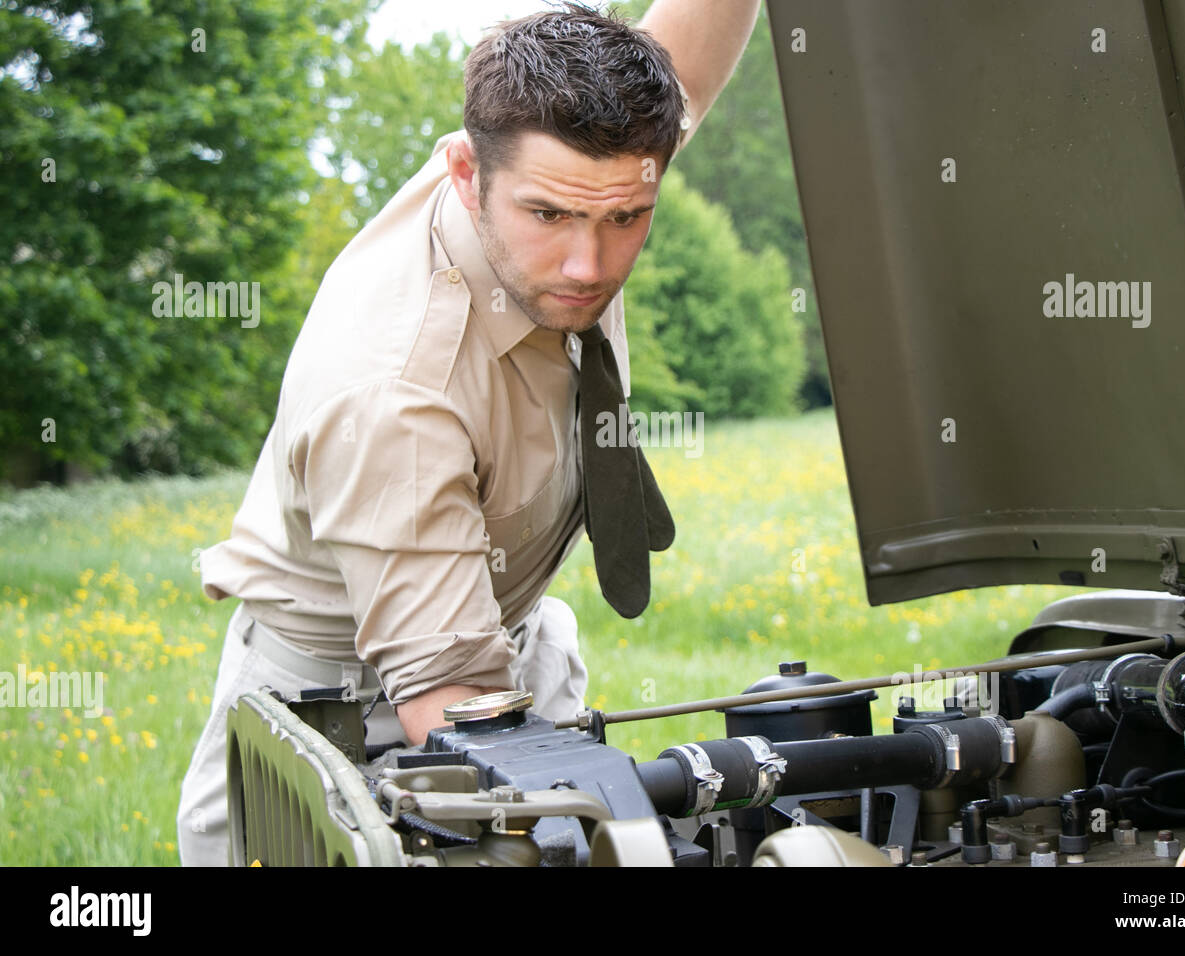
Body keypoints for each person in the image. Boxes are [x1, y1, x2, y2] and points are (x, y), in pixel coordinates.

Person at [176, 0, 760, 865]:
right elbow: (457, 715)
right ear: (463, 172)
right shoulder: (394, 398)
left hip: (503, 650)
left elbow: (689, 69)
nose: (588, 267)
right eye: (550, 216)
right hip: (343, 740)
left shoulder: (557, 159)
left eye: (626, 220)